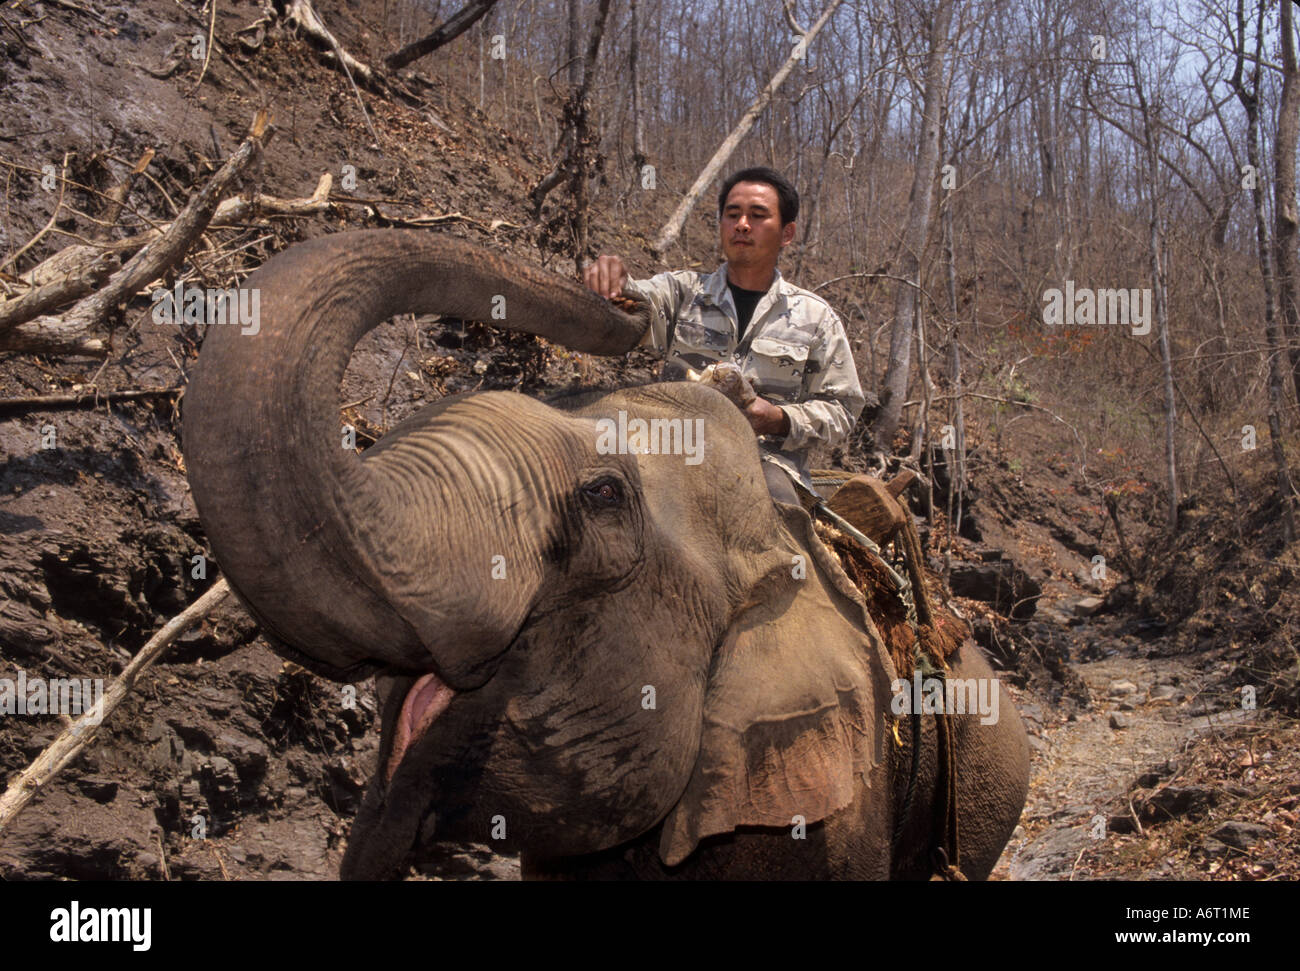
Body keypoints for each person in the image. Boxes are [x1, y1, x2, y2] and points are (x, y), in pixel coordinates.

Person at [583, 166, 866, 504]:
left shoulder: (815, 318)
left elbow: (843, 409)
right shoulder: (683, 293)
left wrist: (778, 419)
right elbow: (637, 302)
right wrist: (612, 282)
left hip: (765, 465)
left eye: (758, 215)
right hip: (670, 448)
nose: (742, 224)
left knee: (776, 519)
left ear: (787, 233)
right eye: (733, 215)